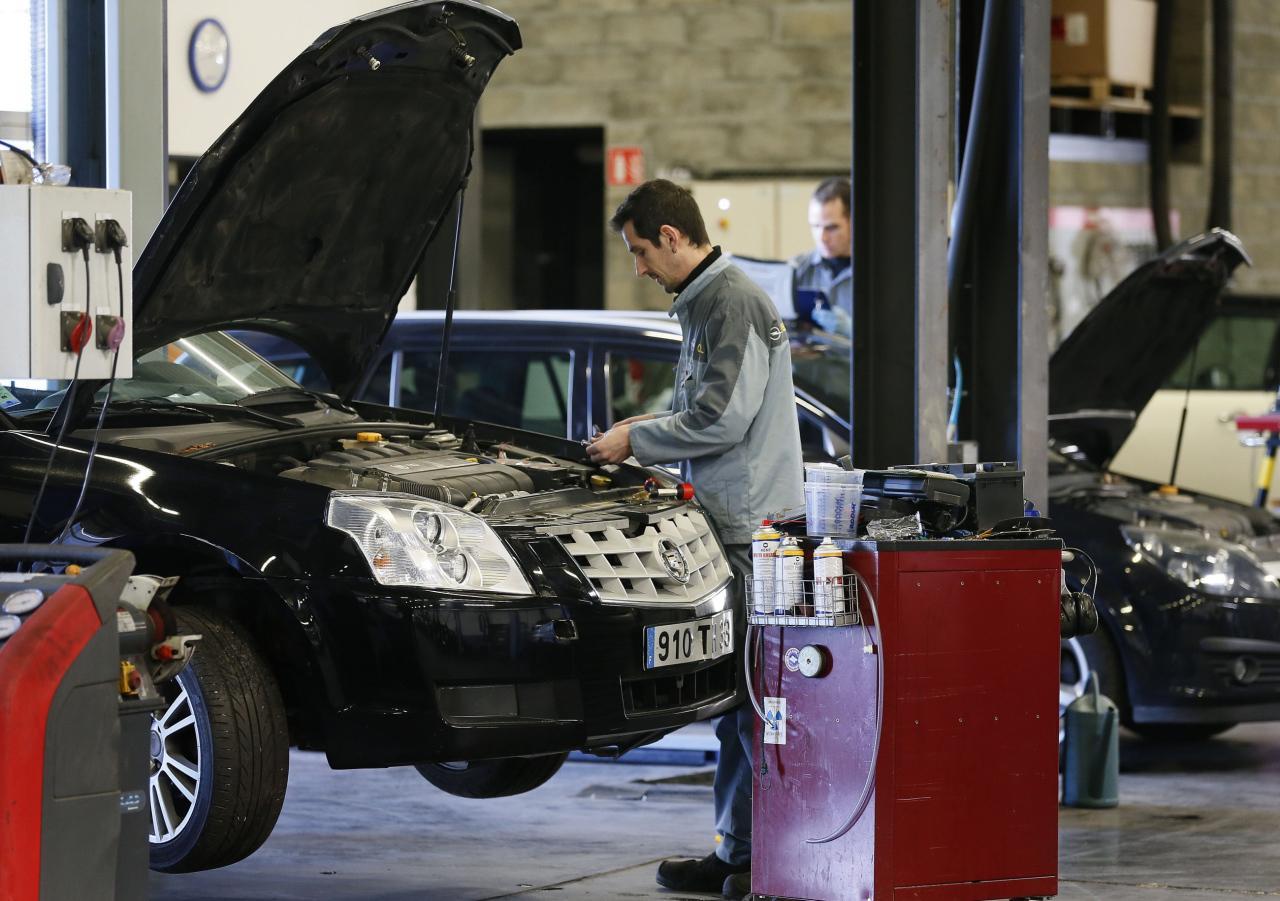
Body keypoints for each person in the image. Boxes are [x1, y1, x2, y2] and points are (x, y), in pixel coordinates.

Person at [587, 179, 804, 900]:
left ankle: (754, 856)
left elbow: (720, 419)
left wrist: (634, 437)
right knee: (735, 699)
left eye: (642, 252)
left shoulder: (731, 302)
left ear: (672, 237)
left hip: (750, 531)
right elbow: (700, 408)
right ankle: (737, 849)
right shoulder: (708, 303)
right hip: (731, 521)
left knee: (748, 698)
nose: (640, 268)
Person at [791, 176, 852, 336]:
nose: (822, 237)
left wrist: (855, 331)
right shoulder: (797, 269)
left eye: (831, 228)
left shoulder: (878, 276)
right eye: (815, 226)